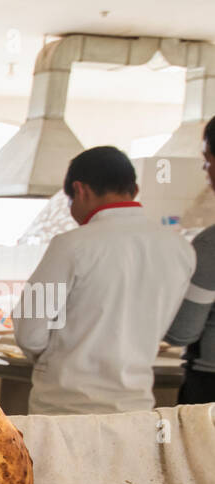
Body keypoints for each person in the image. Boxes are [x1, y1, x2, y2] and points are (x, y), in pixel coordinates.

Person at [13, 146, 194, 414]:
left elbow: (30, 331)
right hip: (135, 409)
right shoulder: (181, 249)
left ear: (80, 190)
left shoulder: (71, 245)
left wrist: (55, 356)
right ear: (134, 190)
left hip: (66, 407)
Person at [165, 116, 215, 405]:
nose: (205, 169)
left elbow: (183, 332)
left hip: (209, 385)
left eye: (206, 159)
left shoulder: (210, 244)